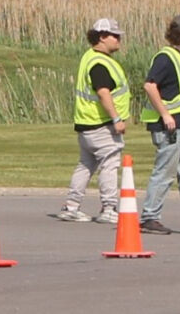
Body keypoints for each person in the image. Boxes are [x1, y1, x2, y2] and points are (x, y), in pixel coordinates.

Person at [55, 17, 131, 223]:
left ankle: (71, 206)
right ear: (102, 37)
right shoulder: (99, 63)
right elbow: (103, 93)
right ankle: (109, 208)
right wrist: (117, 118)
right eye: (114, 36)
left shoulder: (89, 57)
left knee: (86, 164)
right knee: (110, 163)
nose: (118, 40)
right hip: (101, 124)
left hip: (86, 124)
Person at [138, 13, 180, 235]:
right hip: (171, 128)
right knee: (164, 174)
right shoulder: (165, 57)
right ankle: (150, 217)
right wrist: (166, 115)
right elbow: (150, 85)